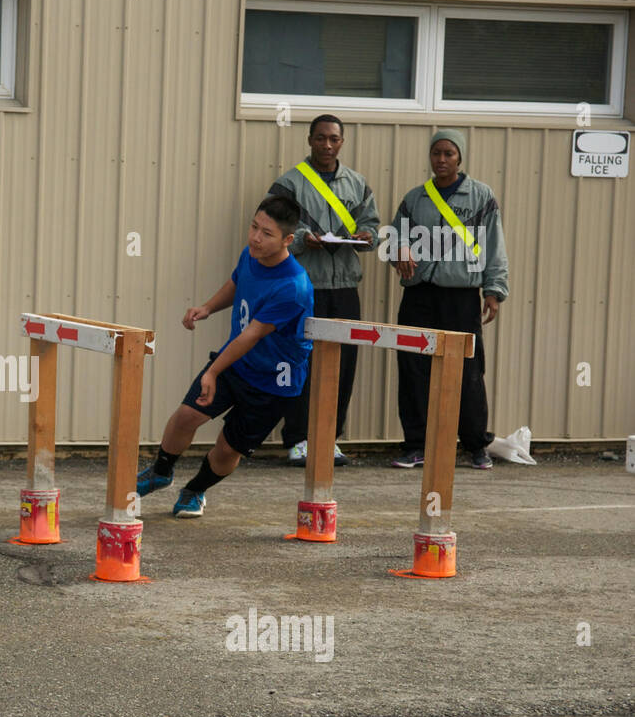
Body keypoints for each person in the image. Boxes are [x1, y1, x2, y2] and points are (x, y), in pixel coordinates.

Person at [135, 195, 313, 517]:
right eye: (254, 227)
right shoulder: (250, 255)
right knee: (187, 415)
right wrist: (207, 307)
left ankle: (196, 490)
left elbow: (252, 334)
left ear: (288, 239)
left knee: (227, 447)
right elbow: (236, 283)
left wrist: (212, 372)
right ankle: (161, 471)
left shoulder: (293, 286)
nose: (256, 238)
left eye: (267, 233)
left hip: (273, 381)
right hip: (238, 363)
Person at [387, 129, 508, 470]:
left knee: (468, 370)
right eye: (436, 153)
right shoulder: (415, 199)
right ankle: (416, 445)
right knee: (413, 369)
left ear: (460, 158)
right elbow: (393, 236)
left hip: (461, 297)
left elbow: (495, 245)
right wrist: (399, 248)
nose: (441, 160)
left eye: (448, 154)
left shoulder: (481, 196)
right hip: (419, 294)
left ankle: (474, 445)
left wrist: (494, 290)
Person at [267, 115, 380, 467]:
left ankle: (329, 439)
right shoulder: (290, 183)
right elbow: (270, 226)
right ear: (310, 140)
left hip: (345, 286)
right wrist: (302, 239)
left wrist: (366, 237)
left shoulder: (357, 183)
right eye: (320, 138)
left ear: (342, 142)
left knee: (343, 364)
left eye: (333, 139)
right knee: (302, 361)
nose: (327, 145)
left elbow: (371, 224)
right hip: (303, 287)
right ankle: (298, 439)